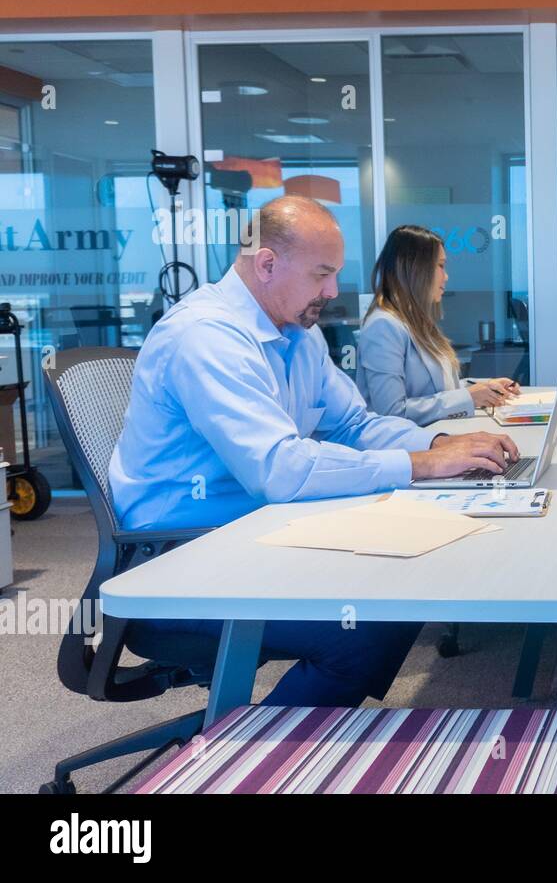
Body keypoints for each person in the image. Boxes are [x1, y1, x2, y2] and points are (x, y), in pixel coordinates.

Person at [109, 196, 520, 707]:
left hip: (257, 530)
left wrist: (440, 443)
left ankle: (292, 740)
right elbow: (279, 470)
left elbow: (353, 424)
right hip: (182, 556)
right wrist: (421, 465)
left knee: (408, 581)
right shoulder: (205, 337)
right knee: (364, 629)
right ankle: (256, 762)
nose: (332, 291)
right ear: (266, 264)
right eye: (321, 275)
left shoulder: (298, 333)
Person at [357, 225, 519, 423]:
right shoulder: (383, 326)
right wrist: (468, 397)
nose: (446, 276)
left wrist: (486, 389)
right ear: (415, 270)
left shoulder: (416, 321)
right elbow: (392, 412)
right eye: (441, 266)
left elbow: (438, 389)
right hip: (407, 449)